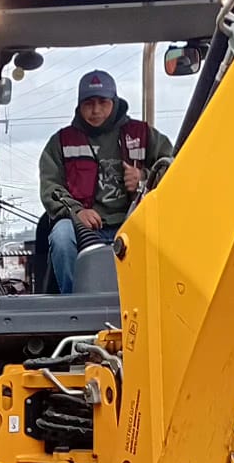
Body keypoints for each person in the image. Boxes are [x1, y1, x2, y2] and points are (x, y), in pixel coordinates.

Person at [39, 69, 174, 295]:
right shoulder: (61, 142)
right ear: (79, 105)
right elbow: (50, 187)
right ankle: (74, 302)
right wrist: (76, 211)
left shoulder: (143, 134)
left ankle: (160, 297)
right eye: (89, 103)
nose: (95, 110)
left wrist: (143, 177)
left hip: (134, 223)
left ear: (114, 101)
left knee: (169, 235)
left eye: (103, 102)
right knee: (61, 236)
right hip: (84, 228)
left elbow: (173, 168)